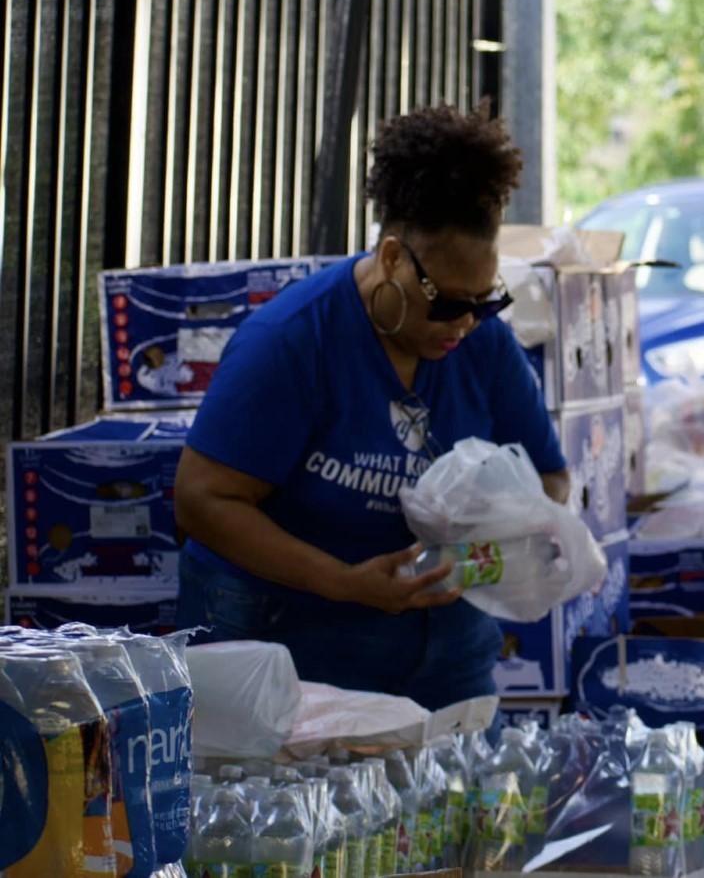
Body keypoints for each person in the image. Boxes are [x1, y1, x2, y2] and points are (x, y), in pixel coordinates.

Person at [174, 103, 570, 710]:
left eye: (484, 302)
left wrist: (486, 527)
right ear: (392, 259)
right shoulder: (292, 340)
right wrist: (345, 583)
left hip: (443, 648)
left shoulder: (482, 344)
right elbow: (203, 500)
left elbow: (553, 478)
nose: (463, 324)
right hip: (287, 639)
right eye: (445, 303)